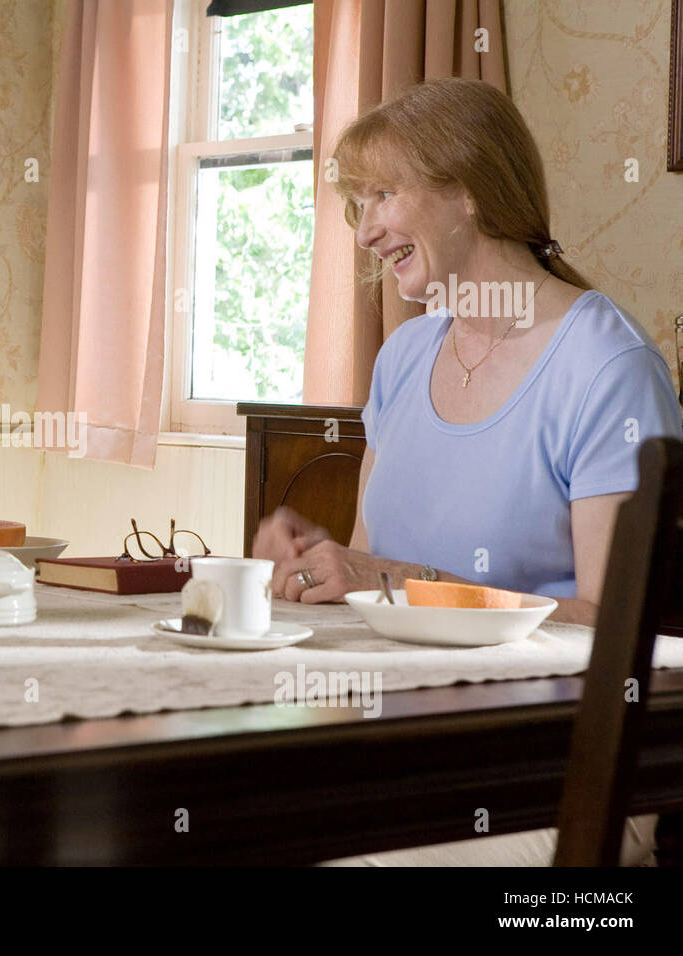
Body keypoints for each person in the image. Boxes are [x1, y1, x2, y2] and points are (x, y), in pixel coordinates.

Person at [253, 78, 681, 866]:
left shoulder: (606, 365)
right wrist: (318, 564)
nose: (366, 230)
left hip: (556, 762)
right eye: (359, 204)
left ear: (470, 193)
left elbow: (617, 625)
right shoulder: (405, 356)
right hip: (404, 734)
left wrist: (394, 576)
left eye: (384, 194)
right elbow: (367, 572)